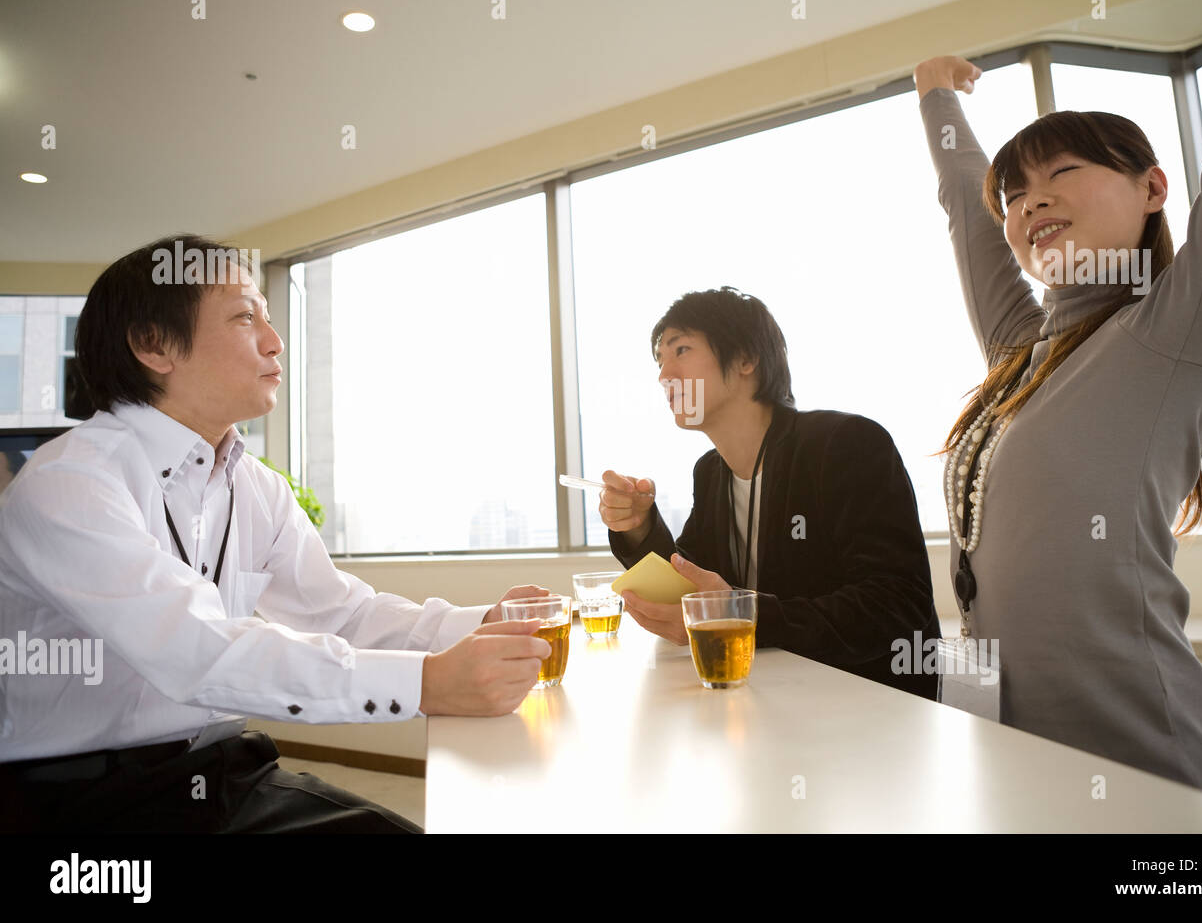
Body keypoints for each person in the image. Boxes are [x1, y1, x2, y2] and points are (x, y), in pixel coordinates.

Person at [0, 234, 552, 833]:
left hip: (219, 773)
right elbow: (198, 650)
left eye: (268, 314)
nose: (274, 339)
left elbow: (341, 612)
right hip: (79, 800)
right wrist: (427, 683)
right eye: (244, 316)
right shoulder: (72, 479)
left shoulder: (256, 485)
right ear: (153, 344)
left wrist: (483, 624)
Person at [912, 0, 1202, 809]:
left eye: (1064, 171)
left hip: (1159, 786)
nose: (1029, 200)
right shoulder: (1021, 351)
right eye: (1016, 192)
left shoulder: (1181, 329)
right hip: (1018, 767)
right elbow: (968, 216)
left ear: (1153, 188)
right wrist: (936, 96)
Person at [600, 287, 940, 700]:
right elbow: (693, 584)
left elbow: (897, 606)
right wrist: (638, 528)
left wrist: (744, 615)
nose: (663, 375)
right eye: (659, 360)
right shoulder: (711, 473)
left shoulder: (845, 443)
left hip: (864, 710)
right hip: (763, 704)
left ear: (746, 358)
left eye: (681, 350)